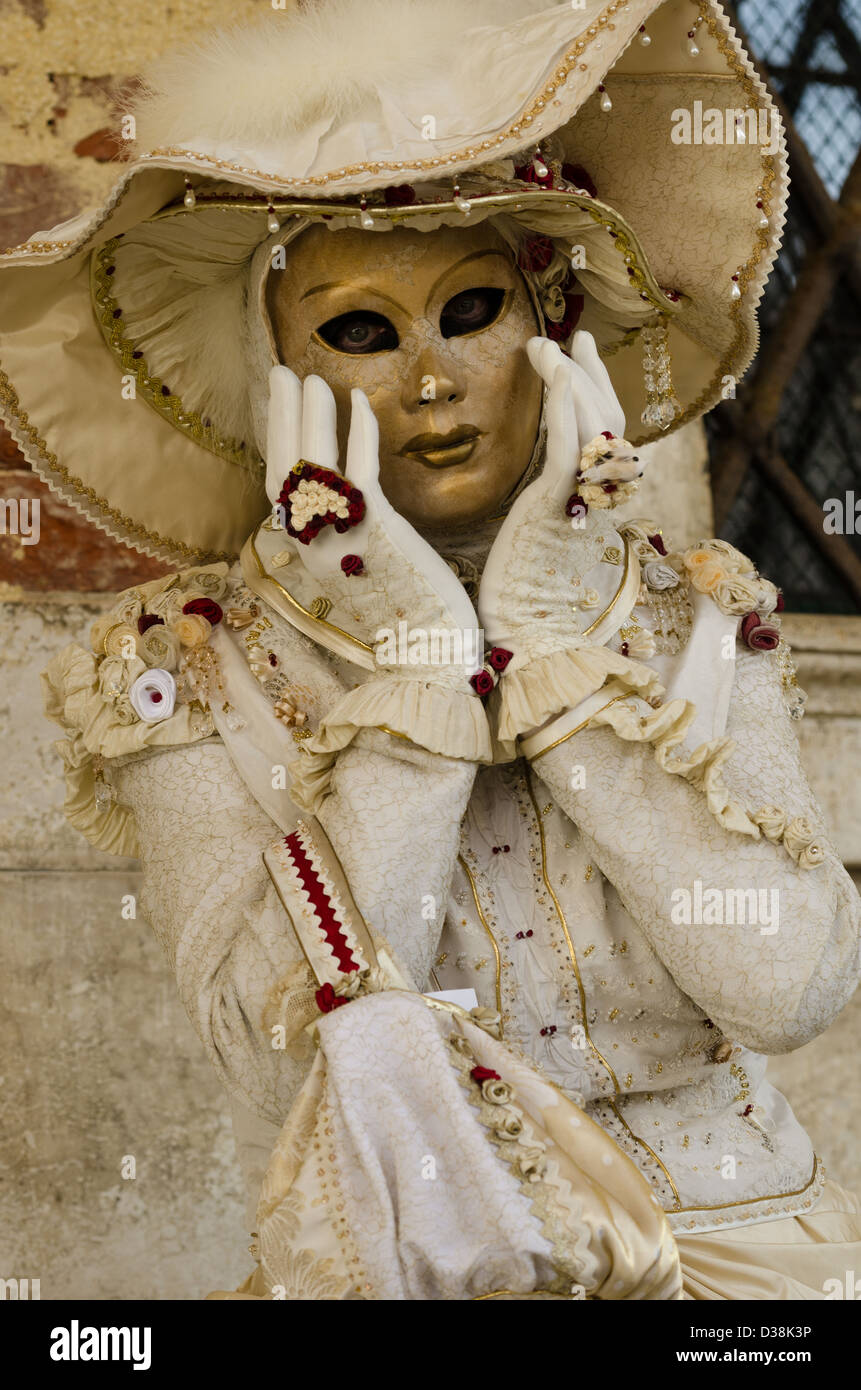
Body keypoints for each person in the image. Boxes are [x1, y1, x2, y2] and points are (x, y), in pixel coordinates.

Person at [5, 0, 859, 1299]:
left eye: (472, 311)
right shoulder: (190, 665)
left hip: (759, 1281)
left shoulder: (690, 611)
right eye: (359, 329)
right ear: (268, 364)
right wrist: (416, 667)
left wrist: (553, 643)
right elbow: (285, 1047)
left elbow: (784, 985)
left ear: (552, 334)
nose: (431, 378)